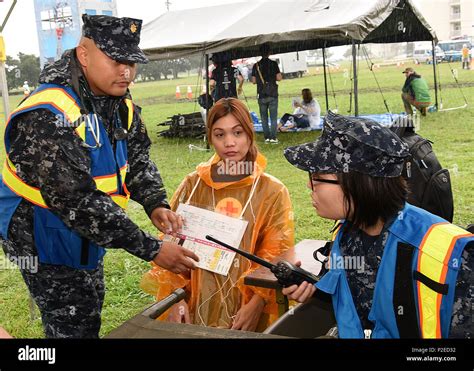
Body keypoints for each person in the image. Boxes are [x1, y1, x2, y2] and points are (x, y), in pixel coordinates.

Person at [0, 14, 199, 338]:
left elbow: (136, 157)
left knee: (89, 299)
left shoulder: (119, 100)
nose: (126, 71)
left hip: (82, 223)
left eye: (132, 62)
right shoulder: (49, 113)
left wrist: (154, 202)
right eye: (116, 60)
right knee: (72, 320)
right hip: (36, 229)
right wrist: (152, 249)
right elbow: (75, 200)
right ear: (84, 54)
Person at [282, 112, 473, 339]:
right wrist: (315, 289)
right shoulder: (348, 235)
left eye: (317, 175)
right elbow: (357, 301)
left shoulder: (449, 256)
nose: (308, 185)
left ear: (355, 184)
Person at [141, 98, 294, 331]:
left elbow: (277, 253)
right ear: (210, 137)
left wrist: (258, 302)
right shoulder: (193, 185)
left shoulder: (271, 191)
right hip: (194, 300)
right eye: (219, 134)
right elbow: (171, 245)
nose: (229, 143)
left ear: (250, 134)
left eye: (238, 132)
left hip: (247, 307)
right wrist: (176, 298)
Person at [251, 44, 282, 144]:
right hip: (272, 93)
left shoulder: (256, 65)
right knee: (273, 117)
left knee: (263, 117)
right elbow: (279, 78)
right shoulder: (273, 64)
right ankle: (273, 137)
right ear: (269, 52)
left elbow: (253, 81)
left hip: (261, 93)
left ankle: (267, 138)